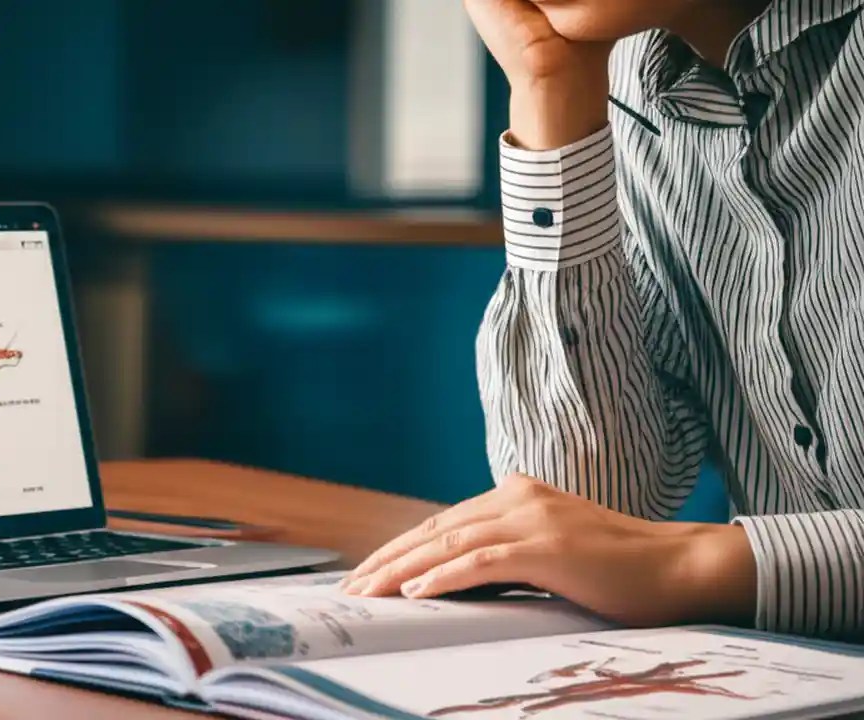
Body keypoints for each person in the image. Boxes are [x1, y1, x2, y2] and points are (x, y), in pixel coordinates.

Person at [342, 0, 864, 641]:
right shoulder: (634, 88)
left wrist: (700, 564)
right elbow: (582, 510)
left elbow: (622, 555)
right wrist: (547, 91)